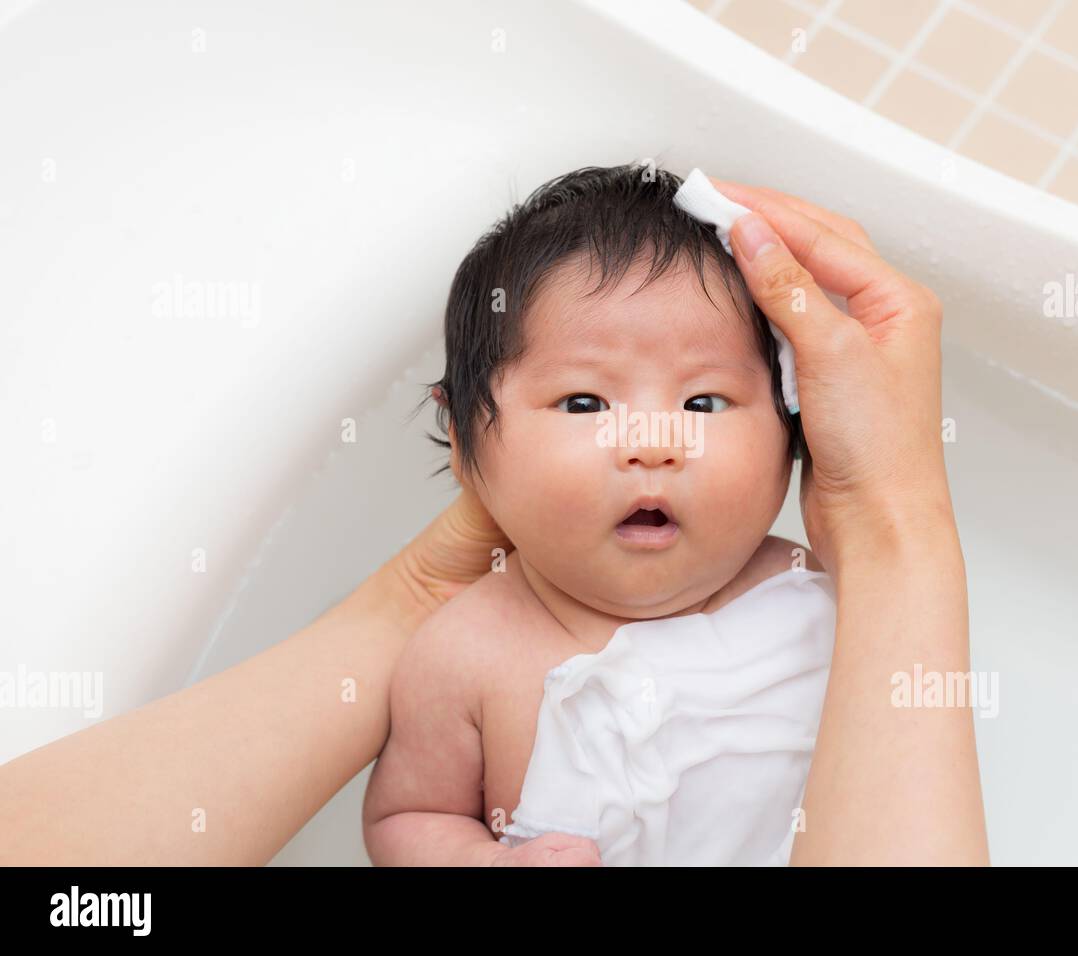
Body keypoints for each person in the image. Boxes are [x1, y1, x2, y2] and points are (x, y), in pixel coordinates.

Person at [0, 177, 988, 866]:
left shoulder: (824, 590)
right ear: (467, 439)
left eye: (702, 404)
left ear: (796, 428)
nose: (651, 442)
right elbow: (409, 813)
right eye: (583, 404)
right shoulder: (466, 649)